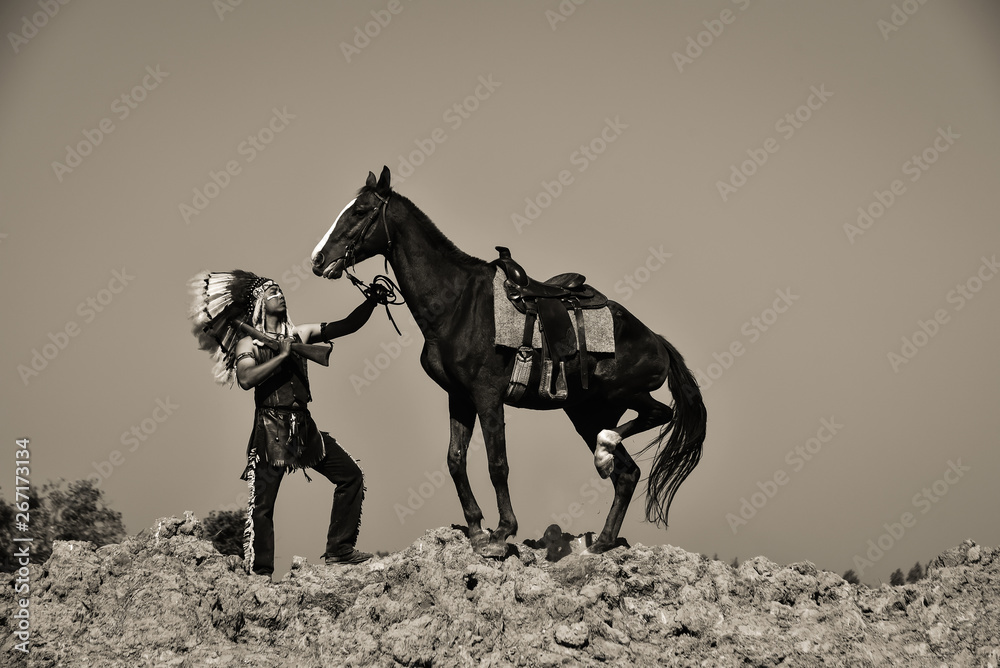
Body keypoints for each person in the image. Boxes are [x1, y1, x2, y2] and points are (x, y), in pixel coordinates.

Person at [189, 270, 385, 578]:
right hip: (270, 429)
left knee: (351, 477)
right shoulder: (247, 344)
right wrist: (281, 358)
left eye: (280, 291)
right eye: (273, 293)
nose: (281, 295)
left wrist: (371, 303)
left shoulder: (300, 334)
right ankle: (261, 573)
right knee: (262, 507)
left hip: (304, 427)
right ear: (260, 304)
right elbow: (245, 379)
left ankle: (340, 550)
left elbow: (346, 325)